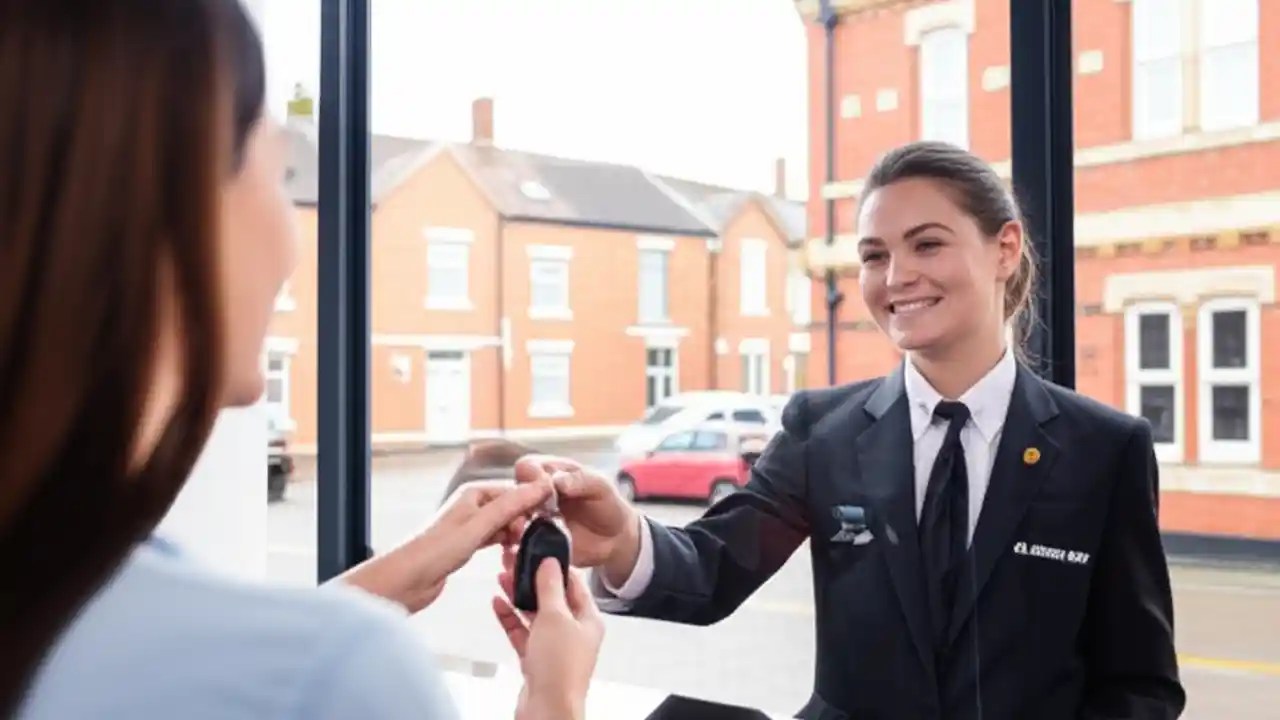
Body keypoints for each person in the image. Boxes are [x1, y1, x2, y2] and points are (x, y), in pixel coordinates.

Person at [0, 2, 600, 719]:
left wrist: (386, 582)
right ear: (174, 205)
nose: (293, 248)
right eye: (282, 176)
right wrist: (555, 698)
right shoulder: (336, 676)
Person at [515, 141, 1187, 719]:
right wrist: (623, 537)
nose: (897, 277)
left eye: (927, 244)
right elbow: (713, 566)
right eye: (873, 255)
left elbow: (1140, 685)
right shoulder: (823, 432)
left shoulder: (1104, 450)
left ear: (1004, 249)